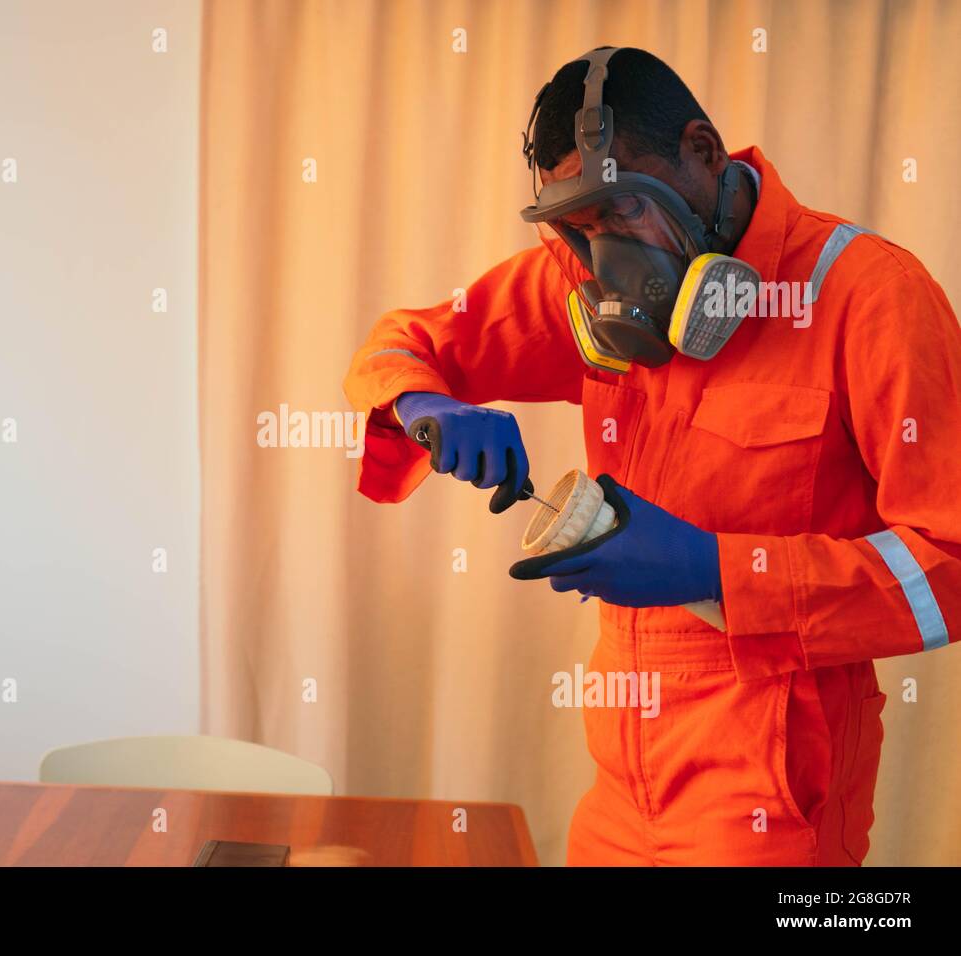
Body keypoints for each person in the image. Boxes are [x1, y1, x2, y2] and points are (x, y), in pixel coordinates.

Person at [343, 46, 960, 866]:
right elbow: (401, 342)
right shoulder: (587, 295)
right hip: (618, 799)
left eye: (623, 211)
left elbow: (949, 563)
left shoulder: (870, 297)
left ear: (702, 153)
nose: (606, 258)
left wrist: (715, 570)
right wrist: (427, 405)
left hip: (773, 807)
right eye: (580, 225)